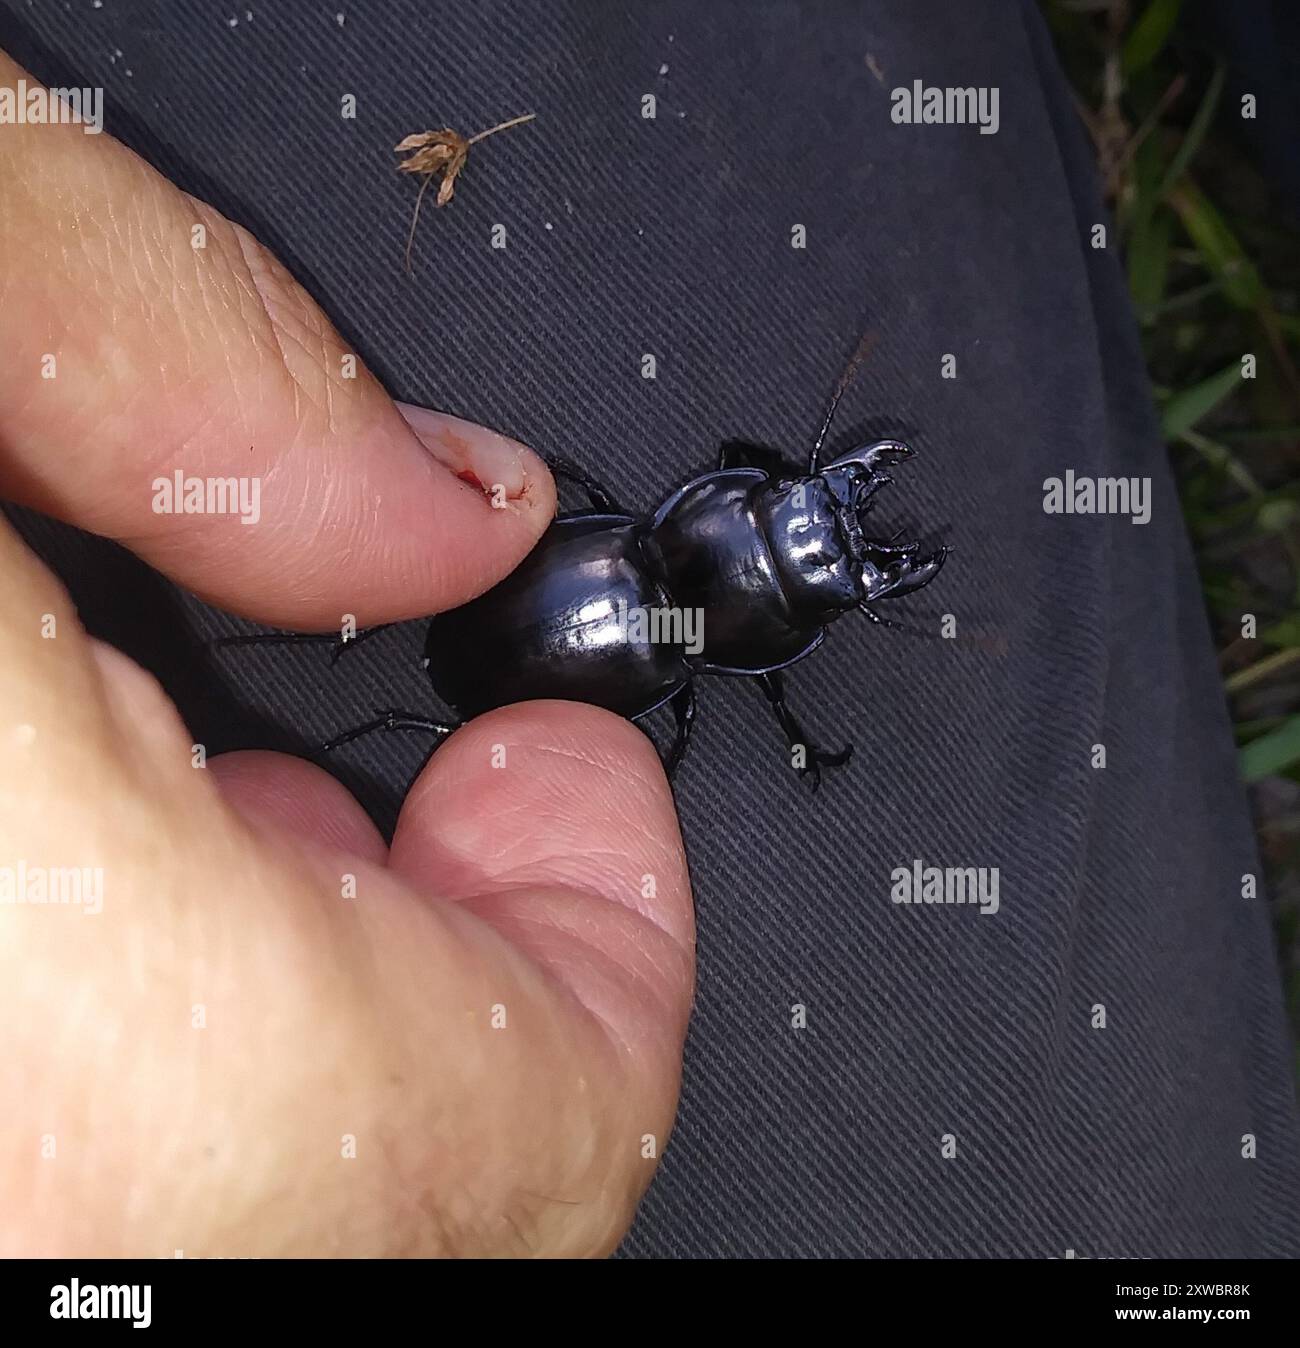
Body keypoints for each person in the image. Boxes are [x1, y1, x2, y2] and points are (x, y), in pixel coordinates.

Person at [1, 0, 1296, 1258]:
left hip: (505, 625)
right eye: (786, 512)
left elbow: (728, 498)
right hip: (505, 650)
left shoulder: (648, 534)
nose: (798, 525)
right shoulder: (676, 616)